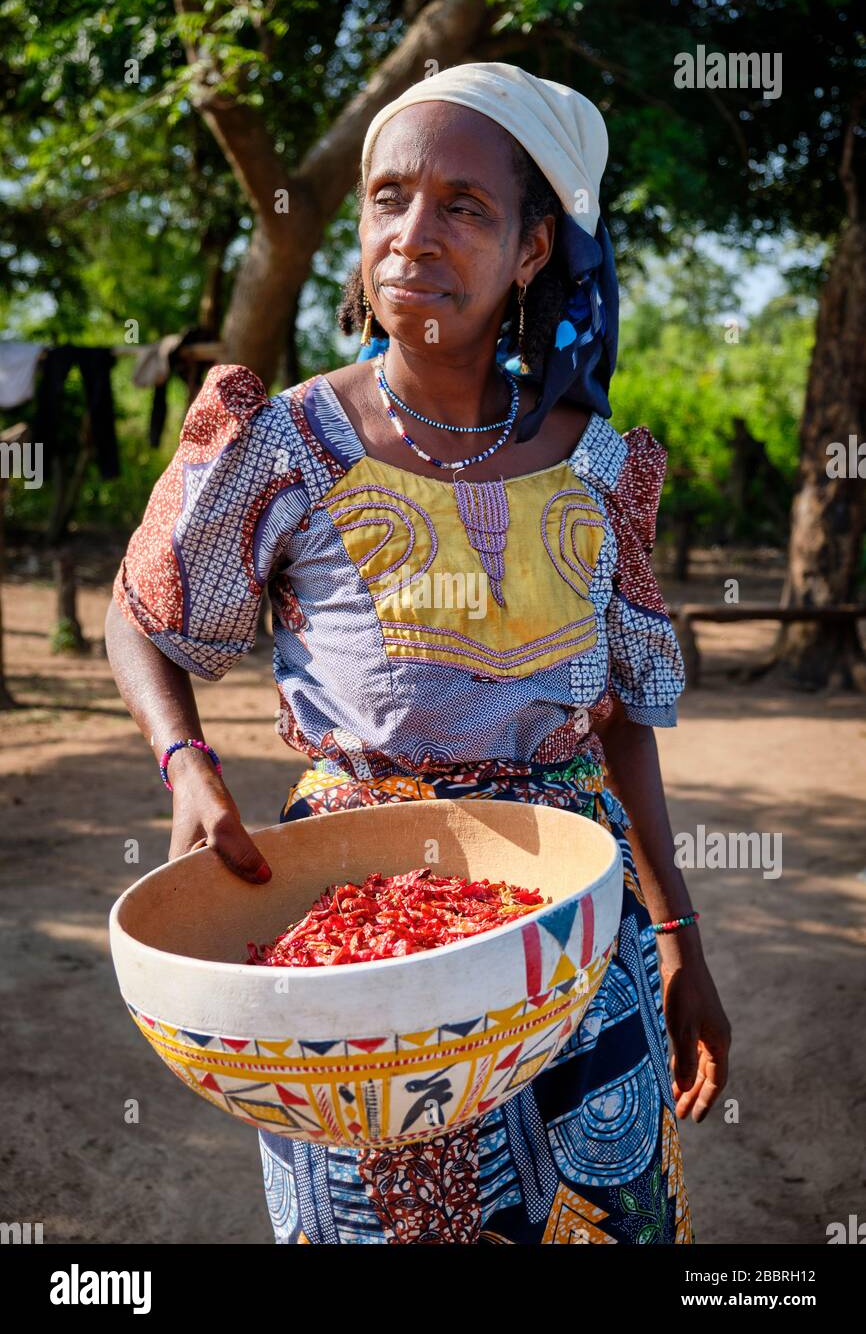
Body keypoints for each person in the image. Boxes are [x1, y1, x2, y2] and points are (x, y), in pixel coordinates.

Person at [105, 62, 731, 1245]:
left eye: (463, 205)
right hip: (359, 942)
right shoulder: (284, 441)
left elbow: (620, 722)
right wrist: (185, 761)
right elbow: (141, 616)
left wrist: (679, 937)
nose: (412, 234)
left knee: (605, 1206)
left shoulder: (598, 466)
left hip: (573, 926)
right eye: (387, 197)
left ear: (533, 249)